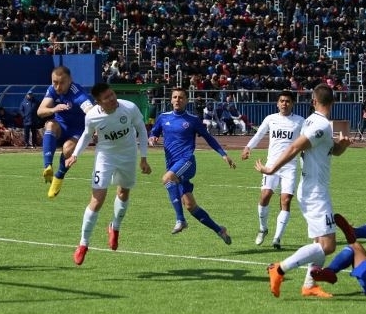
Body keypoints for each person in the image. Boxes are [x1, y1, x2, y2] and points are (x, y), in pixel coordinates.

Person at [255, 83, 352, 298]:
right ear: (333, 102)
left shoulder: (313, 121)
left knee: (319, 242)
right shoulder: (320, 124)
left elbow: (331, 150)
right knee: (328, 245)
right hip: (315, 192)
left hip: (313, 188)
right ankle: (279, 269)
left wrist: (342, 146)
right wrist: (271, 169)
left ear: (314, 101)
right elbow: (294, 147)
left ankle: (309, 285)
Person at [65, 83, 152, 265]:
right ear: (99, 102)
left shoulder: (129, 107)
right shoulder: (92, 116)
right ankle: (83, 244)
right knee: (97, 200)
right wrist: (75, 155)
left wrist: (143, 158)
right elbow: (87, 135)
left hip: (128, 154)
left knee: (123, 192)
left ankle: (115, 227)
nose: (112, 99)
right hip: (105, 156)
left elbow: (142, 130)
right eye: (107, 98)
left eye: (112, 94)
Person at [148, 87, 235, 243]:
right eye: (175, 97)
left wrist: (223, 154)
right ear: (171, 100)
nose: (177, 100)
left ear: (186, 100)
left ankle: (180, 220)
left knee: (167, 179)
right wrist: (152, 138)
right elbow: (154, 132)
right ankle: (219, 229)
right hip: (173, 165)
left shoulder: (192, 120)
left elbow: (208, 137)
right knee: (190, 205)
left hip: (187, 162)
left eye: (181, 97)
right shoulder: (163, 117)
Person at [241, 90, 304, 250]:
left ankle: (277, 238)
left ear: (293, 104)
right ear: (277, 103)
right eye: (282, 101)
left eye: (287, 101)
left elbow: (306, 141)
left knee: (286, 200)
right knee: (265, 196)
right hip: (271, 165)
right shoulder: (271, 119)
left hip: (290, 166)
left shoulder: (300, 121)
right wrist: (248, 147)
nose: (284, 104)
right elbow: (259, 134)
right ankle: (263, 228)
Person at [37, 66, 94, 199]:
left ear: (70, 80)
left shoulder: (78, 93)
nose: (58, 86)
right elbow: (40, 111)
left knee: (68, 149)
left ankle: (59, 177)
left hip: (78, 130)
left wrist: (96, 126)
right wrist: (54, 109)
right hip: (61, 127)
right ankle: (47, 166)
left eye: (61, 83)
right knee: (50, 124)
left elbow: (90, 110)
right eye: (55, 82)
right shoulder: (52, 90)